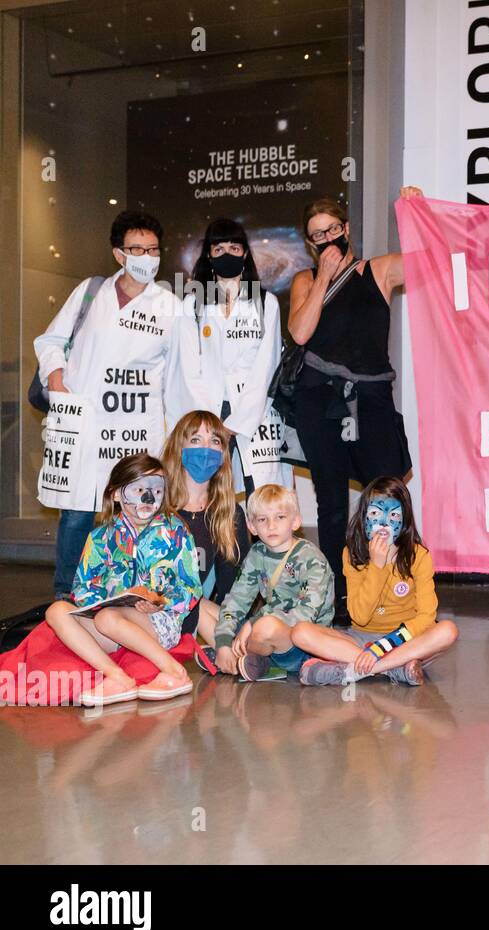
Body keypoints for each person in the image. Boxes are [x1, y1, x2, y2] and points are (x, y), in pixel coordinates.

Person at [287, 190, 423, 625]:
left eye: (331, 230)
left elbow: (429, 259)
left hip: (371, 398)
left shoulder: (376, 270)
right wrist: (323, 277)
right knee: (330, 501)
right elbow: (301, 334)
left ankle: (395, 589)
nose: (326, 240)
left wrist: (413, 213)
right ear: (309, 244)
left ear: (346, 230)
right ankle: (337, 598)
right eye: (316, 236)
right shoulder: (305, 282)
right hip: (319, 399)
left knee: (387, 492)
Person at [34, 210, 185, 599]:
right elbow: (51, 341)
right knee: (78, 513)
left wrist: (169, 439)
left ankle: (123, 600)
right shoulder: (91, 291)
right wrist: (56, 382)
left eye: (153, 249)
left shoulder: (169, 306)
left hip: (135, 430)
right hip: (85, 428)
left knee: (134, 517)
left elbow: (175, 378)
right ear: (119, 253)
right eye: (137, 249)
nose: (147, 257)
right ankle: (65, 600)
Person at [42, 454, 201, 706]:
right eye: (139, 489)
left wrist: (160, 601)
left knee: (108, 618)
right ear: (116, 494)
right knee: (57, 611)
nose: (148, 498)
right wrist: (107, 600)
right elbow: (82, 588)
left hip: (158, 623)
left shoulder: (175, 530)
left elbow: (191, 586)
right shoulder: (100, 537)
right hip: (110, 625)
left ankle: (174, 672)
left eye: (156, 490)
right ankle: (117, 677)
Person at [289, 477, 459, 685]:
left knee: (447, 630)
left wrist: (381, 649)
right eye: (376, 514)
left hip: (405, 639)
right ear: (363, 517)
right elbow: (360, 617)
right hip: (360, 638)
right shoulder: (352, 553)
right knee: (300, 632)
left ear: (404, 520)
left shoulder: (418, 555)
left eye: (394, 515)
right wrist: (377, 568)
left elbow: (426, 617)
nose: (384, 524)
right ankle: (394, 668)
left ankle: (363, 668)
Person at [168, 218, 291, 493]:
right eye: (219, 248)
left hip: (254, 414)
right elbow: (188, 367)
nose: (227, 254)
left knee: (258, 494)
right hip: (206, 413)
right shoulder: (193, 303)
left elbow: (266, 368)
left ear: (245, 253)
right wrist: (211, 423)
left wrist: (237, 423)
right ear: (209, 256)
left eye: (234, 248)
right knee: (205, 494)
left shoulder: (265, 302)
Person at [160, 410, 251, 675]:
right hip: (157, 610)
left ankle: (233, 653)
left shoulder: (229, 513)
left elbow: (233, 588)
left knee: (205, 606)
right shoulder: (159, 507)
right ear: (179, 447)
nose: (206, 449)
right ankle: (235, 659)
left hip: (200, 613)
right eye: (196, 440)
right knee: (192, 600)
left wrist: (237, 623)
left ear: (224, 454)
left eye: (215, 441)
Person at [212, 483, 334, 681]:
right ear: (252, 527)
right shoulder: (257, 553)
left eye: (280, 517)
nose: (271, 525)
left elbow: (307, 613)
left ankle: (240, 658)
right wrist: (223, 641)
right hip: (270, 632)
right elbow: (237, 599)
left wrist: (253, 622)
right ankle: (232, 653)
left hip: (304, 646)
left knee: (264, 627)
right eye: (262, 519)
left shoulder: (311, 559)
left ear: (295, 522)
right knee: (209, 610)